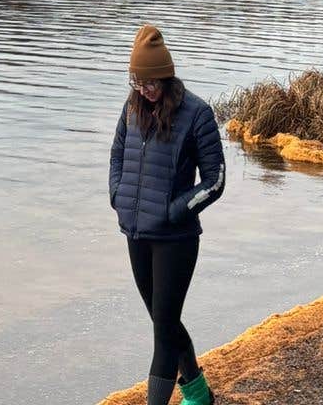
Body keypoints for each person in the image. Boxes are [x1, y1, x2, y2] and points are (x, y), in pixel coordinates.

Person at [108, 23, 225, 405]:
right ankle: (198, 394)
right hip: (136, 233)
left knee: (162, 329)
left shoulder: (197, 114)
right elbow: (116, 157)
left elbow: (215, 180)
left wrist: (175, 211)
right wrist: (118, 196)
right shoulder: (131, 108)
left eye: (151, 82)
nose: (145, 90)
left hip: (176, 239)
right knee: (166, 321)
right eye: (138, 82)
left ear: (165, 75)